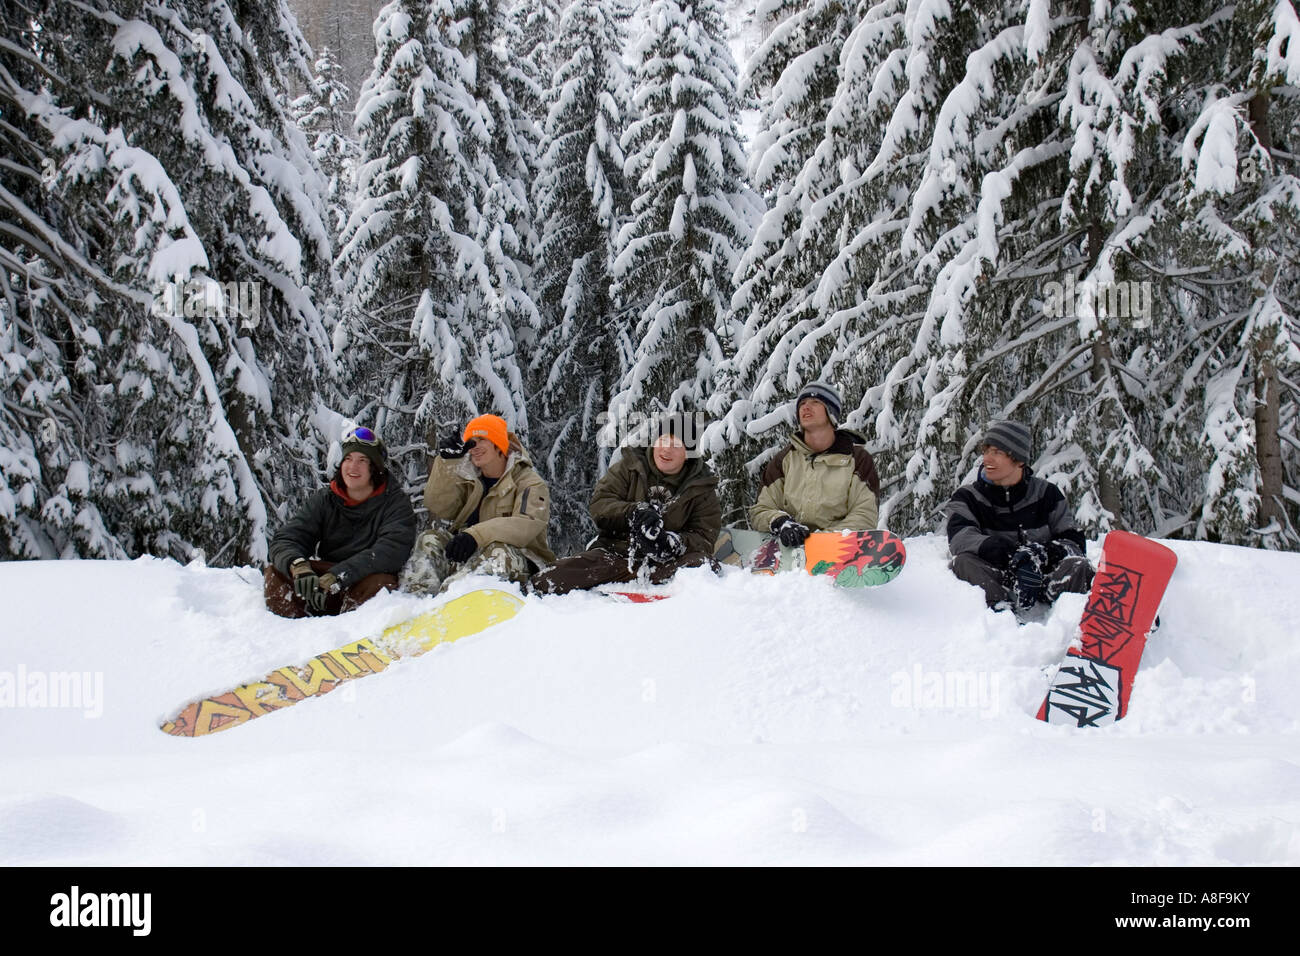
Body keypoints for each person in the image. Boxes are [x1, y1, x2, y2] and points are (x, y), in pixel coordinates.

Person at [531, 415, 721, 595]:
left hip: (666, 565)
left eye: (676, 445)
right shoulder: (631, 466)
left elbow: (705, 536)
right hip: (617, 556)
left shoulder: (700, 486)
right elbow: (600, 504)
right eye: (663, 440)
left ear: (688, 454)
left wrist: (671, 543)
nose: (666, 450)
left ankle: (665, 594)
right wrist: (632, 513)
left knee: (705, 564)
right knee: (548, 579)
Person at [264, 425, 417, 618]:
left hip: (362, 579)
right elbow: (288, 538)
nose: (353, 467)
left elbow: (391, 551)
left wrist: (339, 575)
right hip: (324, 581)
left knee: (380, 586)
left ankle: (351, 632)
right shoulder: (325, 499)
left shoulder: (395, 502)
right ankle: (293, 631)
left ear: (375, 468)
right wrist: (299, 566)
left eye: (362, 460)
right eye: (348, 459)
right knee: (276, 572)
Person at [944, 420, 1094, 610]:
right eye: (986, 451)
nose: (987, 459)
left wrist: (1039, 556)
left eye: (997, 452)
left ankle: (1070, 618)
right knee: (964, 563)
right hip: (997, 576)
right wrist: (1013, 556)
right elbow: (960, 539)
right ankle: (1000, 612)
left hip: (1044, 575)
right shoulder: (967, 497)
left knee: (1080, 566)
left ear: (1019, 460)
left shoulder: (1047, 494)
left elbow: (1074, 543)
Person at [403, 414, 555, 594]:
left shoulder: (529, 482)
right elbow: (438, 505)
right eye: (471, 441)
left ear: (498, 444)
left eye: (481, 439)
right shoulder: (471, 479)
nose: (474, 446)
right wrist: (446, 463)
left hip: (518, 561)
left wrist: (475, 536)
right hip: (472, 559)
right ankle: (415, 602)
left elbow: (525, 525)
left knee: (498, 551)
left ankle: (450, 598)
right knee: (430, 539)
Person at [749, 381, 881, 547]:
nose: (806, 407)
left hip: (838, 549)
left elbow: (864, 514)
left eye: (815, 402)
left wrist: (821, 540)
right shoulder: (785, 460)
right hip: (789, 550)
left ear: (831, 412)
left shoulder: (857, 460)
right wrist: (779, 522)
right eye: (802, 403)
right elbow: (761, 509)